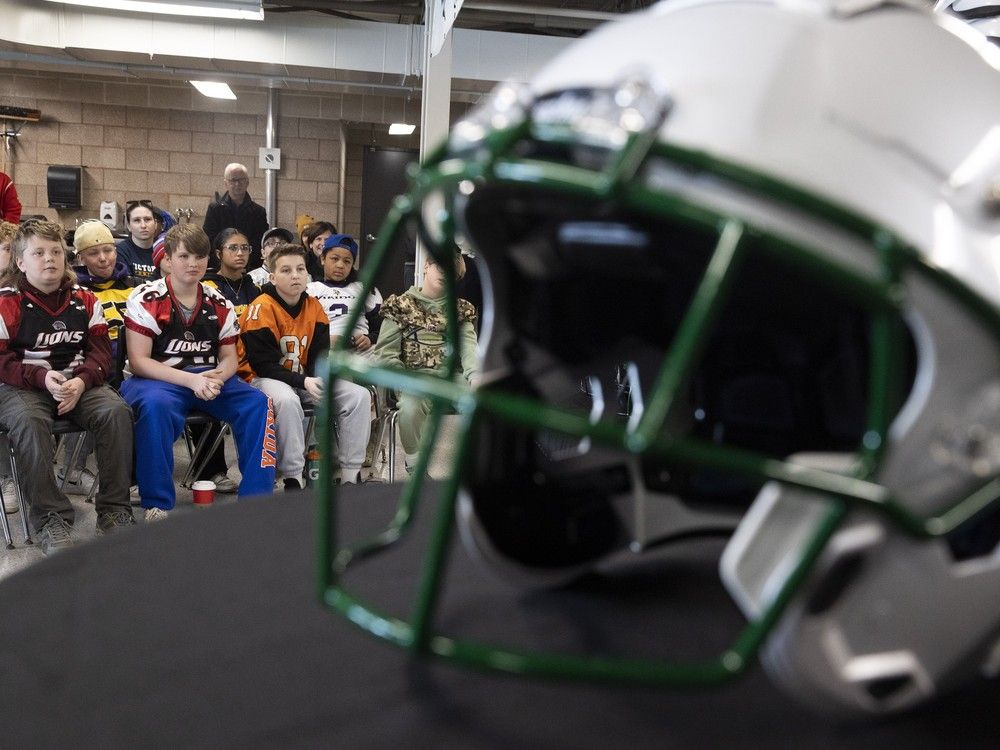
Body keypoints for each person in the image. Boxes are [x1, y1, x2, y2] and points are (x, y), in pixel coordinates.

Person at [120, 224, 276, 521]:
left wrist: (218, 376)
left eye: (200, 256)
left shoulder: (220, 302)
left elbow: (230, 358)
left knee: (259, 404)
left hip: (206, 376)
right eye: (184, 256)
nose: (193, 264)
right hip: (155, 379)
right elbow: (139, 361)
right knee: (155, 408)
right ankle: (157, 502)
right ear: (168, 258)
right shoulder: (145, 297)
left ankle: (258, 500)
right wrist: (193, 380)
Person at [0, 220, 135, 553]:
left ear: (66, 257)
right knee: (31, 423)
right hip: (22, 386)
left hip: (78, 383)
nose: (49, 259)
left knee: (116, 411)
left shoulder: (86, 300)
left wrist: (81, 381)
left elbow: (102, 354)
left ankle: (114, 511)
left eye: (56, 251)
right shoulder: (7, 302)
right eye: (39, 253)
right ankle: (50, 520)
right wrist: (42, 377)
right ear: (21, 262)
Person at [239, 243, 369, 487]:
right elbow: (263, 365)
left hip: (303, 377)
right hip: (261, 380)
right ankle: (293, 477)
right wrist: (305, 382)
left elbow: (320, 356)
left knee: (358, 396)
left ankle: (351, 475)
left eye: (300, 269)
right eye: (286, 270)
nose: (295, 275)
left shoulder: (314, 307)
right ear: (272, 277)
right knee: (287, 401)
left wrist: (318, 381)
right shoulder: (260, 307)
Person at [372, 250, 478, 473]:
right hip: (414, 376)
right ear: (426, 267)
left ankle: (476, 468)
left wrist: (475, 375)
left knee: (483, 404)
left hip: (452, 377)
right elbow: (386, 353)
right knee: (410, 408)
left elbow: (469, 347)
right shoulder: (399, 306)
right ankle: (414, 464)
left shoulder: (461, 309)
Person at [306, 233, 382, 351]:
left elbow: (381, 327)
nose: (340, 265)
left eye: (347, 261)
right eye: (335, 259)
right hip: (325, 350)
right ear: (323, 259)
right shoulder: (310, 290)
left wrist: (370, 338)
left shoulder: (363, 289)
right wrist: (324, 341)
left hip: (362, 351)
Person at [202, 163, 269, 271]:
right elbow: (210, 240)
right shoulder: (215, 209)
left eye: (241, 180)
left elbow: (259, 243)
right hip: (219, 269)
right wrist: (224, 265)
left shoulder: (258, 212)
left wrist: (244, 265)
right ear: (226, 183)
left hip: (249, 269)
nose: (237, 184)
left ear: (247, 182)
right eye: (233, 180)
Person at [201, 228, 261, 319]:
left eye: (245, 248)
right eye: (233, 248)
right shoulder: (207, 288)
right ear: (219, 254)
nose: (240, 253)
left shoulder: (255, 289)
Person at [116, 199, 160, 281]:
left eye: (147, 219)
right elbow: (126, 285)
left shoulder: (163, 250)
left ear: (155, 224)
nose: (143, 225)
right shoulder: (121, 252)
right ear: (129, 226)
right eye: (137, 220)